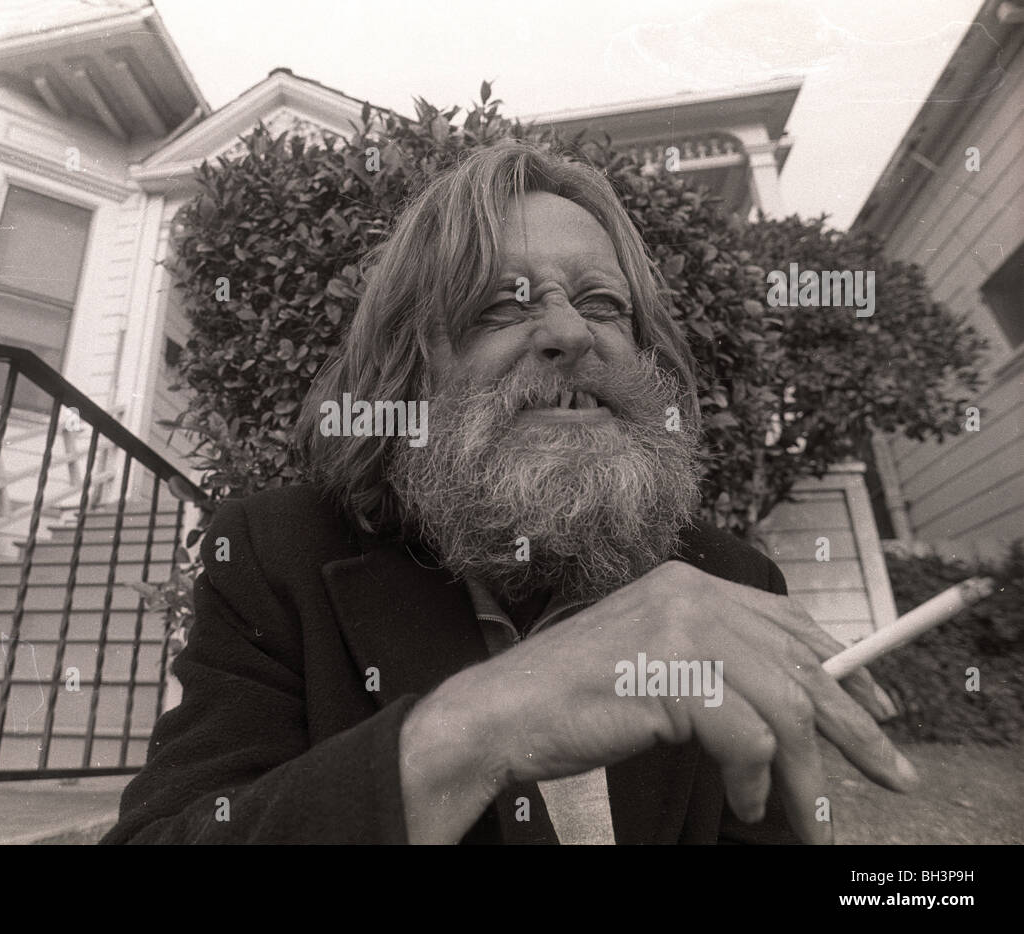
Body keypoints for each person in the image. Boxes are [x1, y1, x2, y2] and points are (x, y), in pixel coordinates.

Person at [103, 140, 914, 845]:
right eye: (500, 307)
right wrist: (489, 723)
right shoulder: (275, 556)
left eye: (603, 303)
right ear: (411, 374)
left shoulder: (730, 582)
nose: (568, 332)